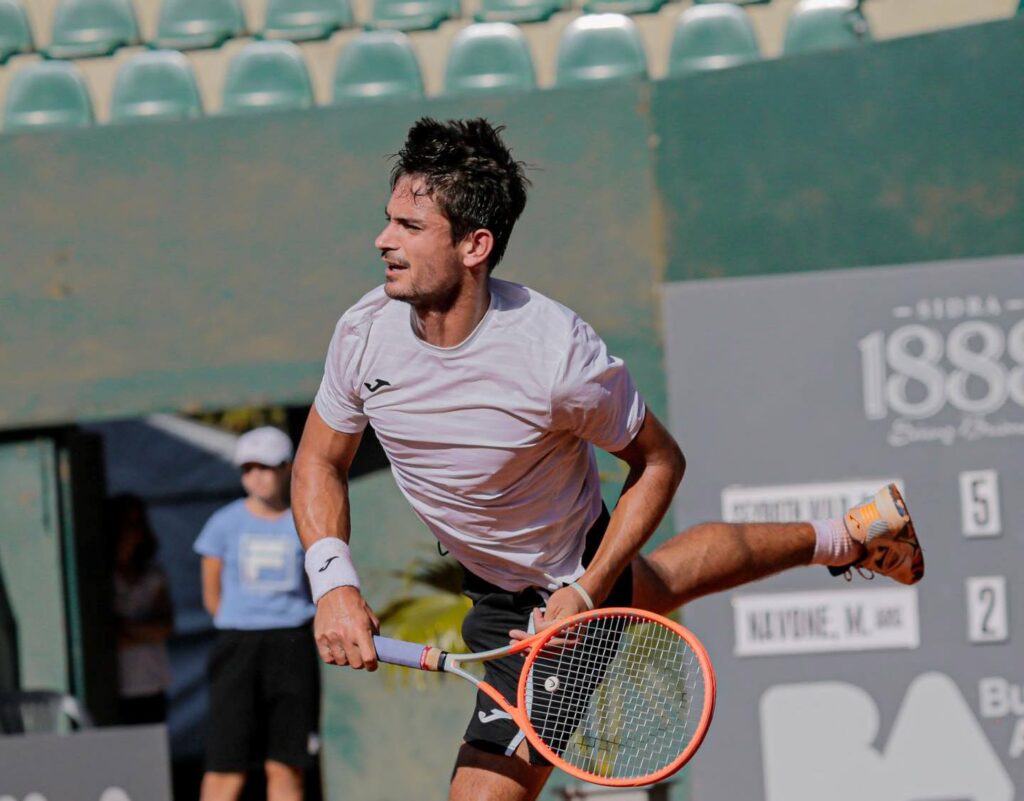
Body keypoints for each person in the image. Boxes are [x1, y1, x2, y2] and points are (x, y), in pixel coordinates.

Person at [291, 118, 925, 801]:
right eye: (388, 220)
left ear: (475, 245)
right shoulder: (363, 332)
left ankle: (840, 540)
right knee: (664, 578)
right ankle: (850, 535)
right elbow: (319, 462)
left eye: (410, 227)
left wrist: (586, 591)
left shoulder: (557, 359)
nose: (382, 240)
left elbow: (659, 463)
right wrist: (332, 582)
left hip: (555, 592)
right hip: (489, 568)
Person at [195, 426, 320, 801]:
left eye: (265, 467)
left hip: (292, 645)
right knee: (225, 767)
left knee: (286, 765)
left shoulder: (307, 520)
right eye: (248, 469)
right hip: (238, 647)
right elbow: (212, 596)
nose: (257, 477)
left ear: (286, 468)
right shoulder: (223, 523)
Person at [110, 493, 173, 726]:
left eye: (137, 525)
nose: (131, 533)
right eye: (126, 525)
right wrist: (143, 631)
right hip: (114, 686)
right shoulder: (101, 578)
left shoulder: (153, 574)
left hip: (150, 683)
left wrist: (127, 628)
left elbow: (164, 627)